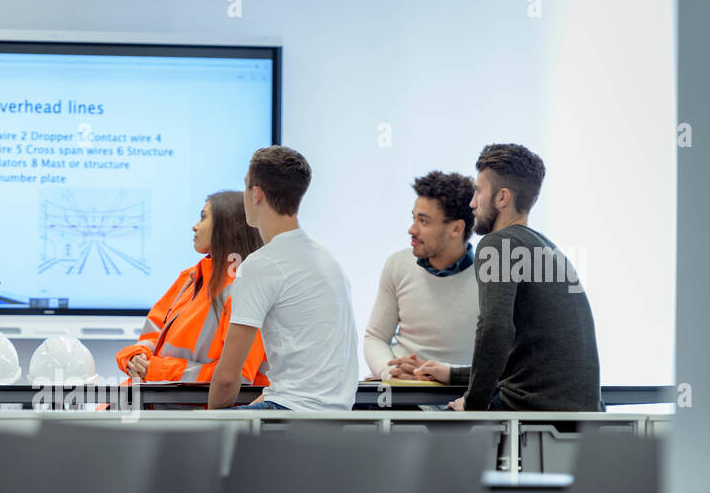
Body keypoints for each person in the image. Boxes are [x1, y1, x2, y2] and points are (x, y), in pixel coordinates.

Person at [405, 144, 602, 411]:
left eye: (478, 191)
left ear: (502, 198)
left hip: (533, 411)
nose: (472, 202)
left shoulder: (497, 244)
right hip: (578, 414)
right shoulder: (548, 249)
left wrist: (473, 407)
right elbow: (523, 363)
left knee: (425, 429)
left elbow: (495, 329)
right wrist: (453, 374)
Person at [208, 146, 358, 410]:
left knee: (189, 437)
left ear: (256, 194)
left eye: (245, 187)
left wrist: (214, 431)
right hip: (334, 417)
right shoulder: (329, 261)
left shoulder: (261, 265)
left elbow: (227, 379)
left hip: (289, 417)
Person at [116, 191, 268, 388]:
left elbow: (238, 376)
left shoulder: (245, 288)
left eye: (203, 217)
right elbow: (151, 336)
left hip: (197, 413)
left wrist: (157, 370)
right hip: (160, 404)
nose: (195, 226)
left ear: (228, 226)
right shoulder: (190, 278)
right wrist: (136, 356)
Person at [364, 171, 479, 380]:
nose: (411, 229)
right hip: (405, 396)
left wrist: (444, 373)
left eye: (424, 222)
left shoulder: (490, 277)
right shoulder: (397, 264)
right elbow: (375, 337)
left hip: (463, 396)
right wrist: (390, 372)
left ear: (456, 229)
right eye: (414, 218)